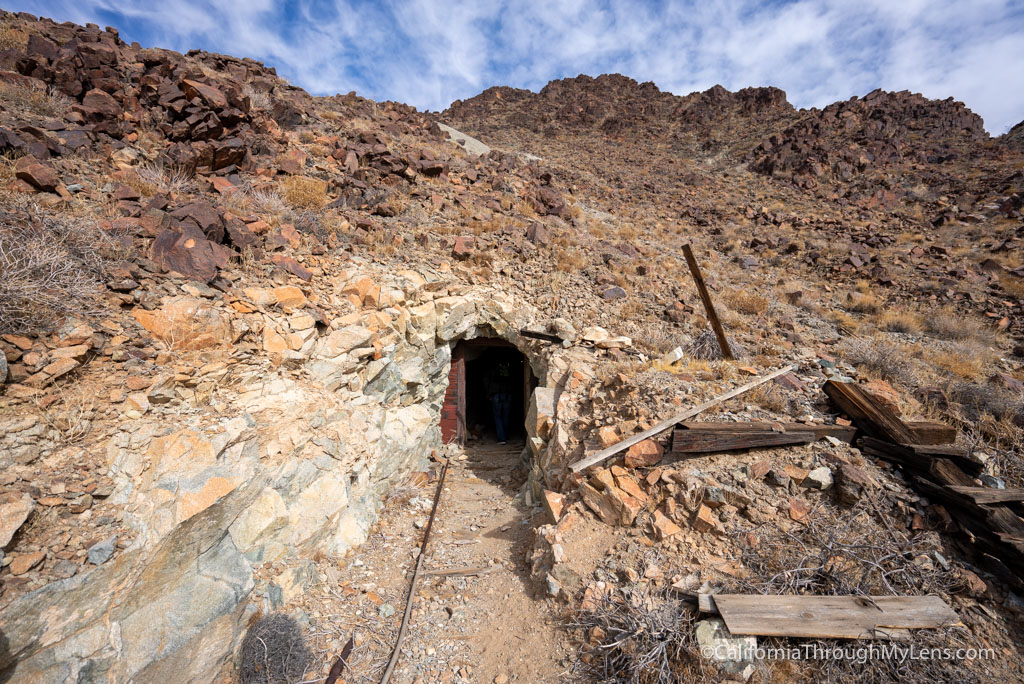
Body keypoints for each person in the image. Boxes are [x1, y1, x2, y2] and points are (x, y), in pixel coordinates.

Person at [484, 360, 513, 444]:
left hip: (496, 395)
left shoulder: (492, 369)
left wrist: (488, 393)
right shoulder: (509, 368)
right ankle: (506, 436)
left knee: (498, 417)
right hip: (508, 394)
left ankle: (502, 439)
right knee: (506, 416)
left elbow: (485, 380)